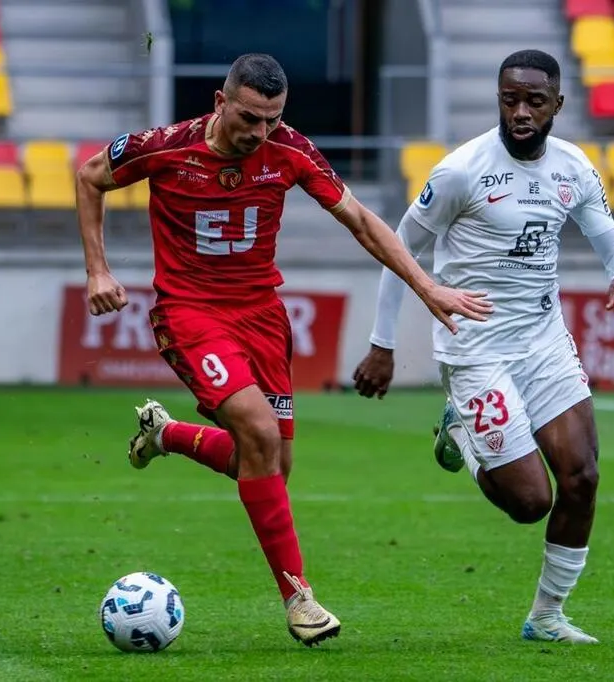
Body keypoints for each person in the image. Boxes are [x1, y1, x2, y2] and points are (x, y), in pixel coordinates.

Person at [74, 53, 492, 646]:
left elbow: (361, 220)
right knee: (259, 434)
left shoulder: (290, 150)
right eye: (249, 117)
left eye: (272, 119)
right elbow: (91, 176)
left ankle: (166, 435)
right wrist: (98, 270)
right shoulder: (165, 147)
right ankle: (300, 598)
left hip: (263, 319)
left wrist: (427, 288)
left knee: (268, 463)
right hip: (191, 314)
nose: (260, 132)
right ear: (220, 103)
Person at [351, 50, 614, 644]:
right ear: (499, 99)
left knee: (582, 477)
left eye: (535, 101)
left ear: (557, 104)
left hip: (543, 341)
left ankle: (547, 616)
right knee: (530, 502)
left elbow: (612, 245)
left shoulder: (574, 168)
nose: (521, 112)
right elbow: (397, 251)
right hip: (476, 350)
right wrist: (382, 345)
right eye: (510, 99)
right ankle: (460, 432)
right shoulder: (460, 172)